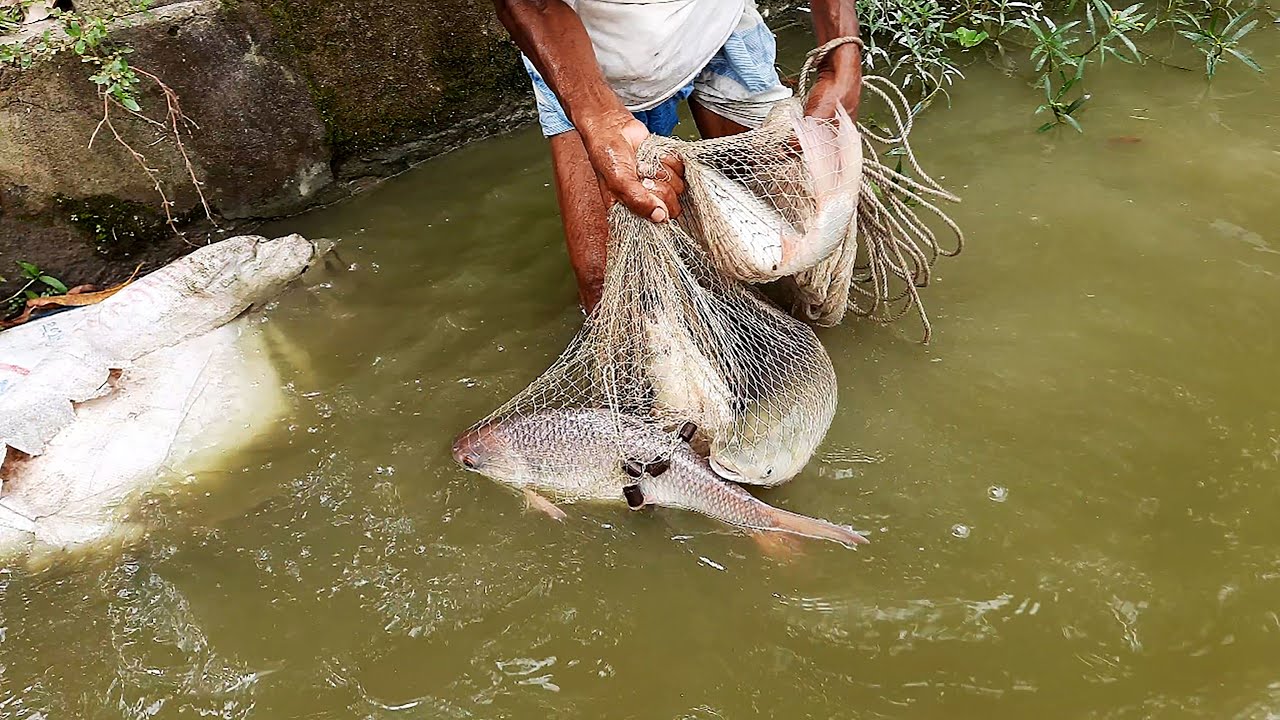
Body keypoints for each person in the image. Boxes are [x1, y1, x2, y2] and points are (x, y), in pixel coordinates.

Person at [493, 0, 863, 312]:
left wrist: (842, 56)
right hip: (586, 50)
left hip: (716, 21)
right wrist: (597, 116)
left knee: (797, 225)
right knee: (608, 288)